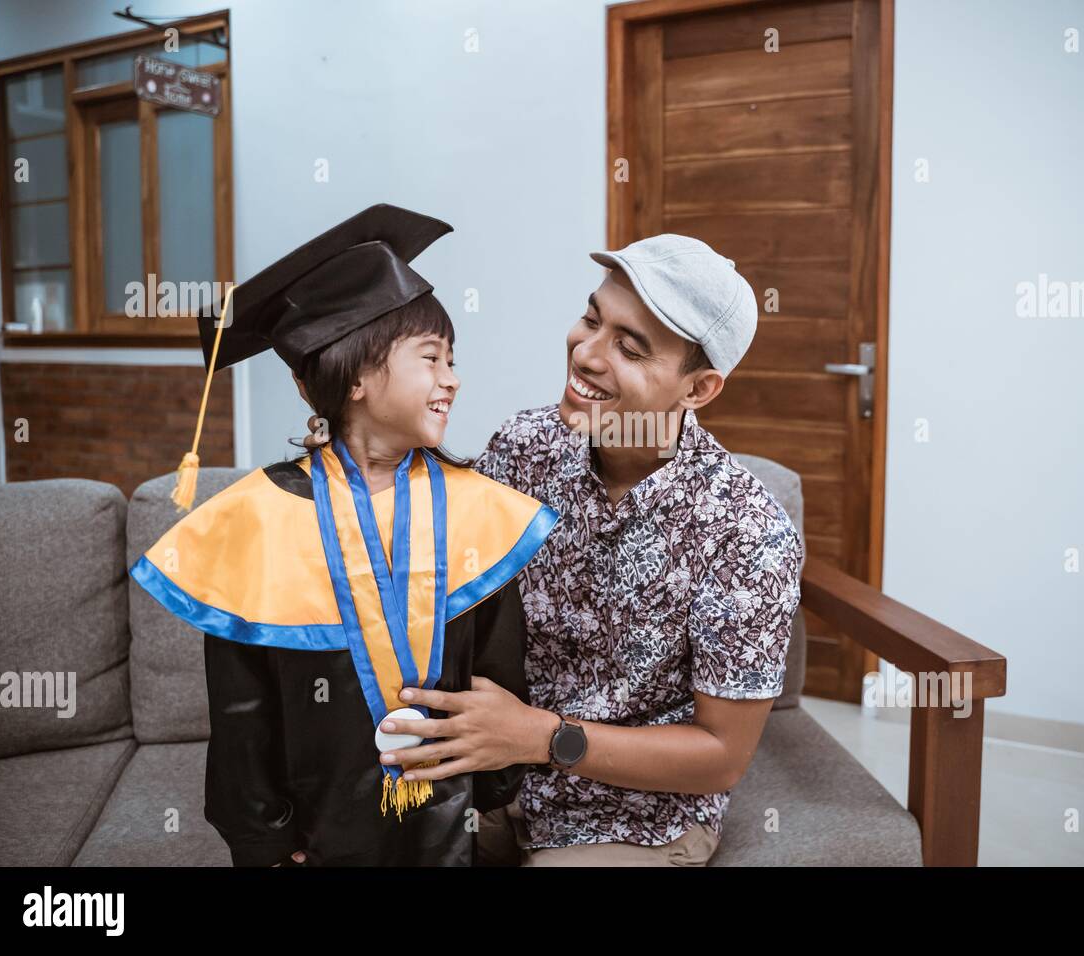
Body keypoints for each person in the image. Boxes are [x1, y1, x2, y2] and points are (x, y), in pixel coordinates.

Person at [306, 233, 803, 866]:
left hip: (629, 820)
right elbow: (433, 579)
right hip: (485, 783)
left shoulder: (746, 532)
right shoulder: (524, 446)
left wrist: (539, 738)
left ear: (699, 388)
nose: (587, 353)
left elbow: (722, 756)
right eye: (593, 319)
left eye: (630, 347)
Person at [129, 204, 558, 866]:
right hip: (320, 831)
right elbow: (243, 715)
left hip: (451, 826)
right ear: (355, 376)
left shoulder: (481, 511)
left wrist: (496, 792)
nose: (454, 378)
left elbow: (499, 675)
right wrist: (265, 842)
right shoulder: (255, 520)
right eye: (431, 357)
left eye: (453, 358)